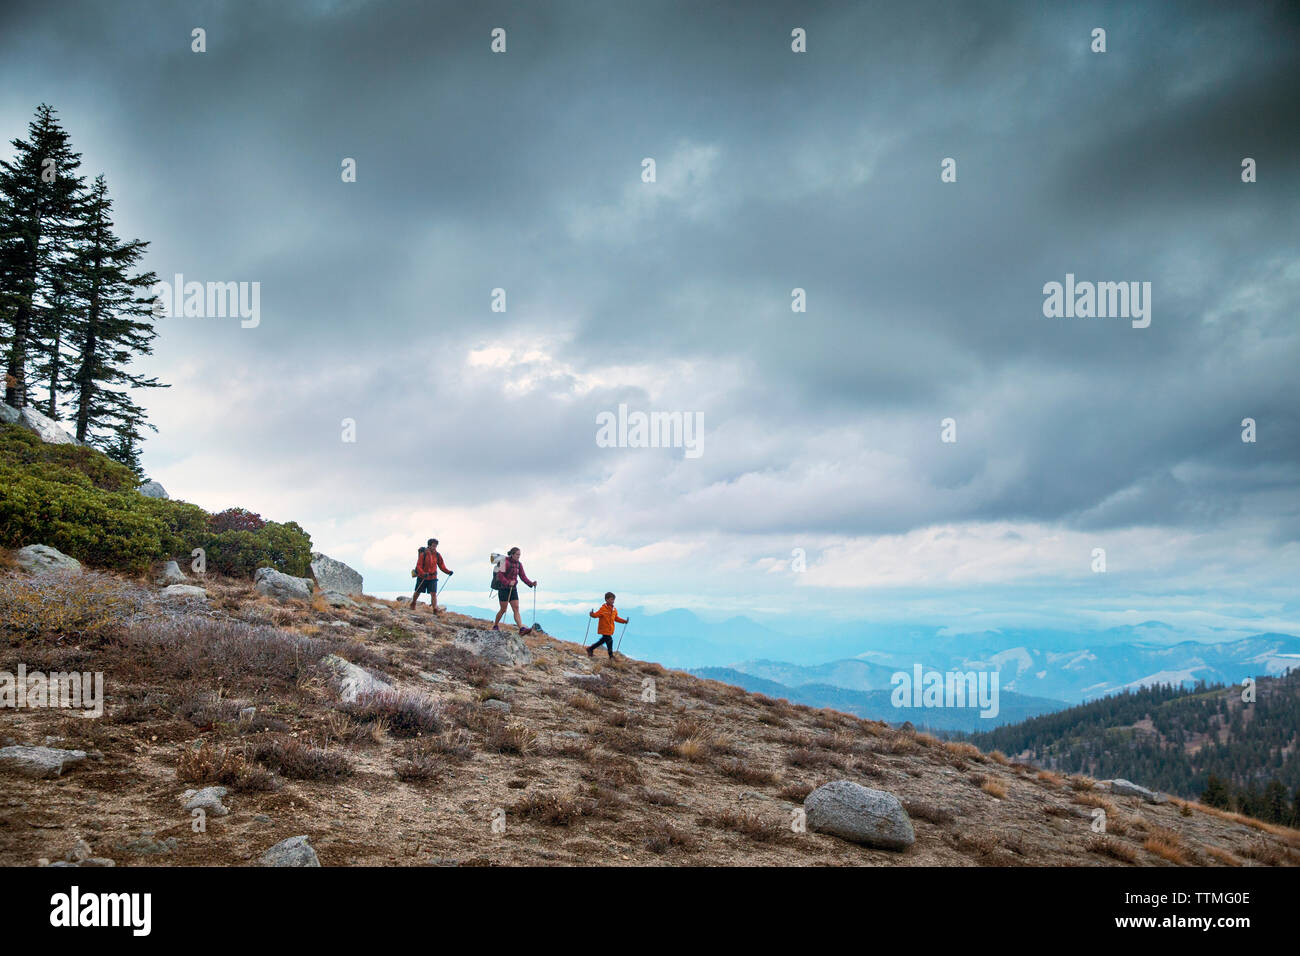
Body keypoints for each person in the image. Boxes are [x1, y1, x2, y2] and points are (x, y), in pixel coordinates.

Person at [492, 546, 536, 634]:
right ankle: (495, 625)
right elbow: (500, 575)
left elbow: (523, 576)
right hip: (503, 589)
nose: (518, 556)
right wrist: (508, 583)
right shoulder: (505, 562)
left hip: (513, 589)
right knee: (503, 610)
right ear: (512, 554)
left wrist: (531, 584)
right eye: (517, 554)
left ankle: (521, 629)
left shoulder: (519, 564)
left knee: (516, 609)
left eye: (519, 555)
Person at [410, 537, 453, 612]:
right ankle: (413, 603)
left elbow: (441, 565)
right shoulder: (423, 554)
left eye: (436, 546)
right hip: (423, 577)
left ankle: (435, 609)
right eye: (433, 545)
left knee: (433, 593)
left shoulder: (437, 555)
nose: (434, 547)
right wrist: (423, 574)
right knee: (418, 591)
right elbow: (418, 566)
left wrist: (448, 572)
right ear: (429, 545)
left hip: (433, 577)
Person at [587, 592, 628, 659]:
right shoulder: (603, 609)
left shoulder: (614, 610)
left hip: (610, 629)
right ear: (606, 599)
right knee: (609, 640)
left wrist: (624, 621)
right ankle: (611, 656)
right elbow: (596, 615)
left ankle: (590, 649)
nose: (613, 601)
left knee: (602, 641)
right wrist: (592, 614)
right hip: (604, 628)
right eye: (611, 599)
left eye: (613, 599)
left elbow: (616, 618)